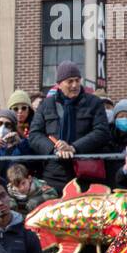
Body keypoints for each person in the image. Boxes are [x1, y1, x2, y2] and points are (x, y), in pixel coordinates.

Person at [26, 61, 111, 192]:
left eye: (77, 80)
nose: (75, 85)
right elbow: (35, 135)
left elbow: (102, 132)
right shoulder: (46, 105)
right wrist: (55, 150)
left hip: (87, 173)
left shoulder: (94, 103)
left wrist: (74, 148)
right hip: (54, 173)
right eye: (70, 81)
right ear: (59, 84)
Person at [106, 99, 127, 188]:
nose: (125, 119)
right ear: (115, 119)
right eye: (121, 116)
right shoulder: (107, 134)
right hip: (109, 181)